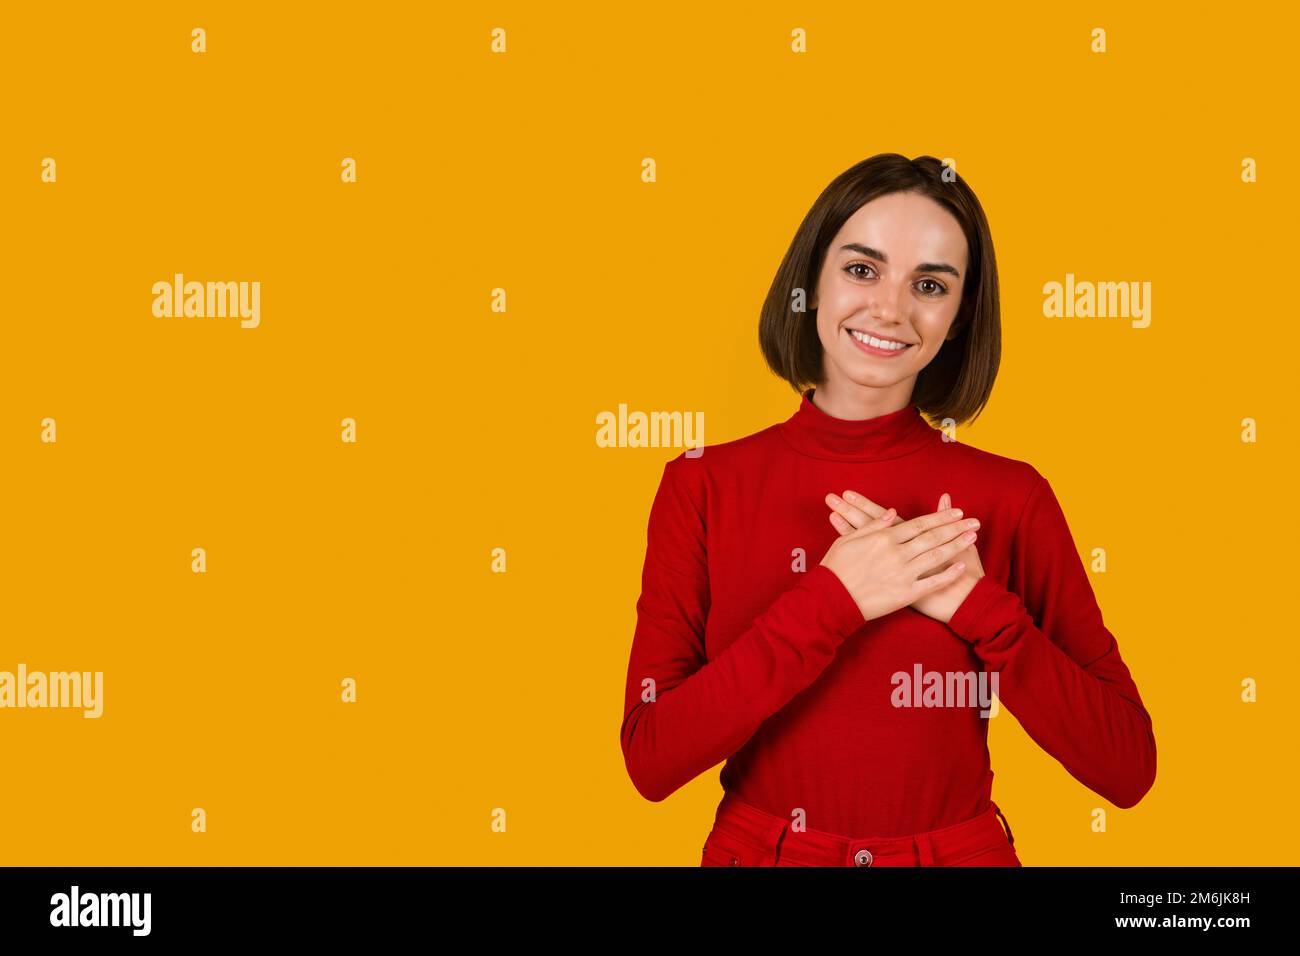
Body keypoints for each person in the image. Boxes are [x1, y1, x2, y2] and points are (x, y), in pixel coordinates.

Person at [618, 153, 1157, 867]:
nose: (890, 309)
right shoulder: (702, 484)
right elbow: (652, 760)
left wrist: (977, 608)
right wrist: (836, 598)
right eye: (862, 269)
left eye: (929, 285)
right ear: (811, 280)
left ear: (960, 316)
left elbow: (1127, 768)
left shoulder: (1011, 496)